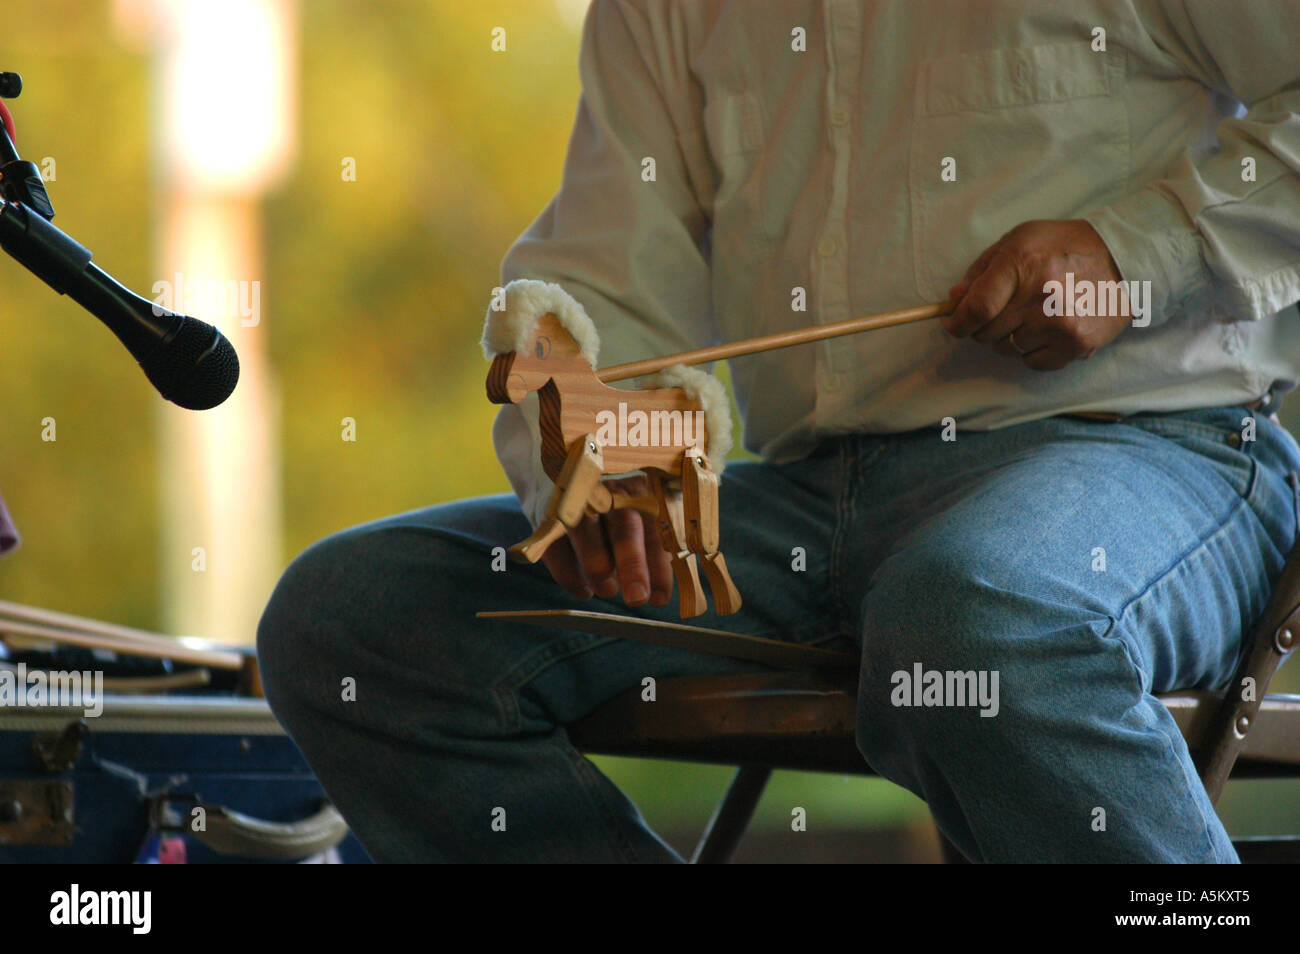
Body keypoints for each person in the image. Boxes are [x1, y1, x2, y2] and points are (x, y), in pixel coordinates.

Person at [257, 0, 1300, 862]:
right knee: (357, 622)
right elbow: (604, 279)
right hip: (810, 504)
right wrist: (602, 446)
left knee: (979, 618)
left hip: (1150, 458)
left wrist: (1136, 252)